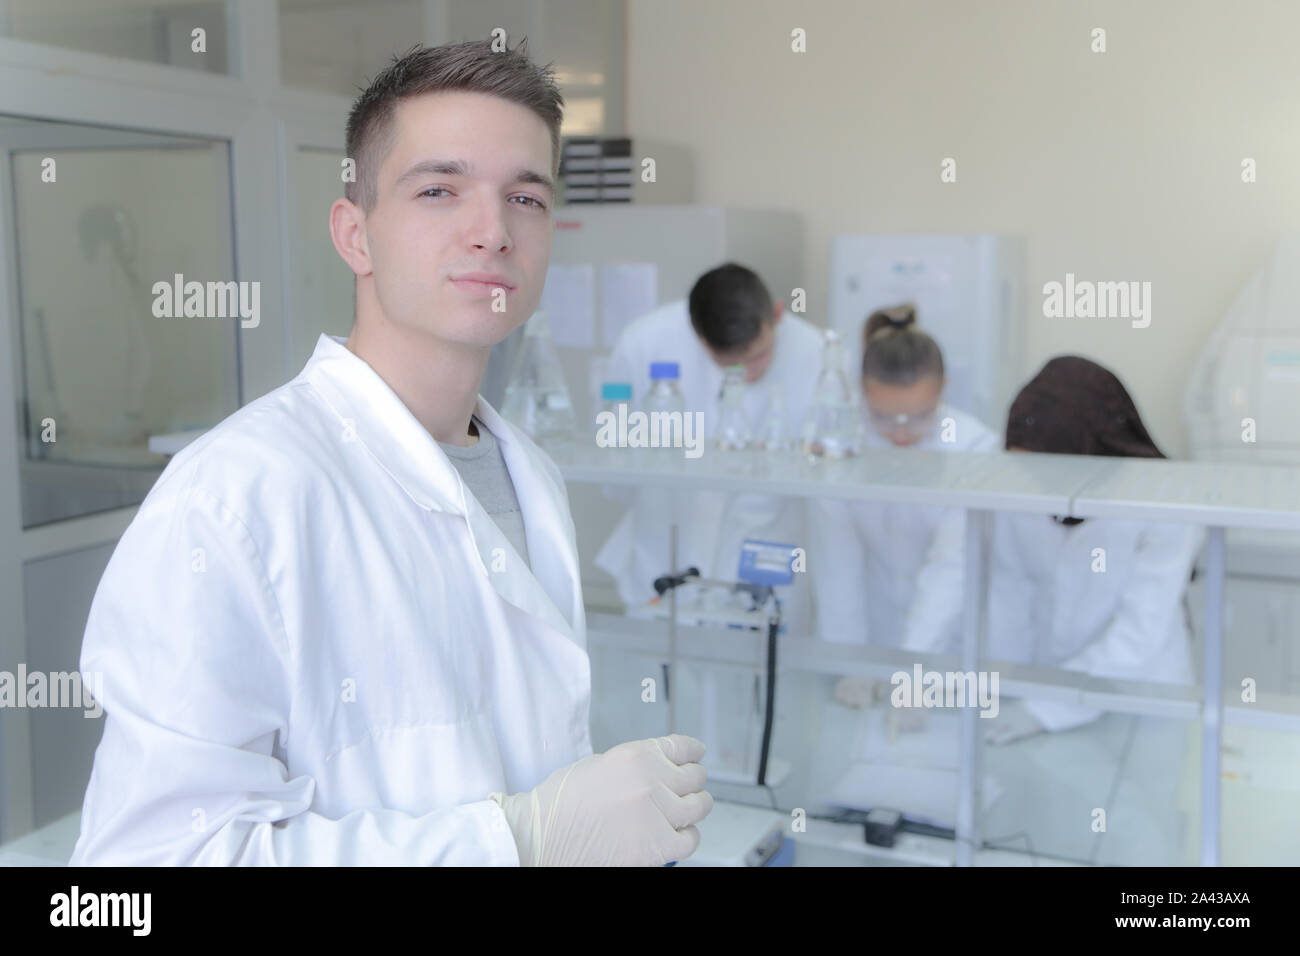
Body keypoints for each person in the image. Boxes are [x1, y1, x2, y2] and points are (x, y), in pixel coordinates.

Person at [70, 40, 711, 867]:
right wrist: (512, 839)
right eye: (439, 190)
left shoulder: (532, 478)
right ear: (356, 234)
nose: (493, 232)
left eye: (526, 197)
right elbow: (145, 869)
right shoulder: (236, 498)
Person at [984, 355, 1203, 744]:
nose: (1032, 482)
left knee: (1135, 802)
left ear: (1083, 448)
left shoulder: (1166, 505)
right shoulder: (1021, 496)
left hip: (1139, 698)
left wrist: (1046, 708)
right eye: (1022, 467)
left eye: (1042, 468)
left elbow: (1139, 632)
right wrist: (1004, 687)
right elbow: (1009, 594)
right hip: (1043, 686)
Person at [595, 263, 823, 628]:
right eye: (730, 364)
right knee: (659, 668)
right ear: (698, 336)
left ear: (778, 315)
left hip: (768, 553)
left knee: (762, 674)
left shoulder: (816, 354)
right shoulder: (645, 342)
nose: (746, 374)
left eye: (759, 357)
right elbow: (614, 463)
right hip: (666, 550)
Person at [808, 304, 999, 709]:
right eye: (882, 416)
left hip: (951, 645)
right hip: (869, 635)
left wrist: (914, 670)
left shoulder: (972, 447)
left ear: (943, 388)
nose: (899, 433)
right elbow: (837, 565)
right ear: (860, 389)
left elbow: (951, 569)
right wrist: (851, 662)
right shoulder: (839, 445)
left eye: (917, 417)